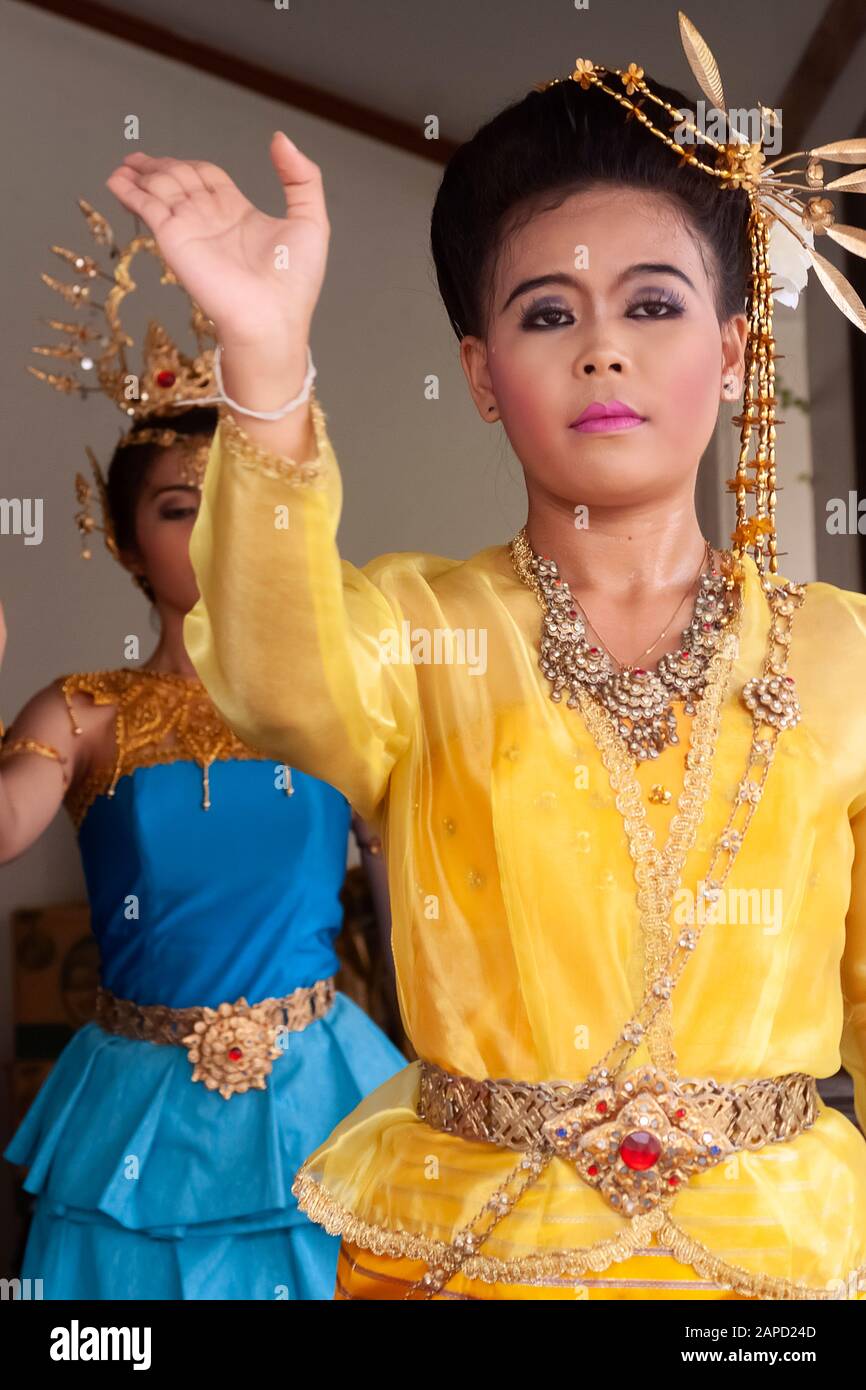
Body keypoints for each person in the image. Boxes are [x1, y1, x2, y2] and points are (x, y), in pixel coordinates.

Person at [105, 11, 866, 1300]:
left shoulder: (845, 653)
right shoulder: (415, 627)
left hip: (775, 1270)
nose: (601, 347)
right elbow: (280, 676)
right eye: (545, 312)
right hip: (478, 1254)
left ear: (732, 351)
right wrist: (267, 360)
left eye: (653, 303)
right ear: (478, 372)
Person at [0, 205, 407, 1299]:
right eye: (183, 506)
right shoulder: (80, 711)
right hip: (136, 1099)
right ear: (125, 537)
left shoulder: (346, 695)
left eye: (239, 498)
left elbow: (425, 888)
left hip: (326, 1086)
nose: (220, 526)